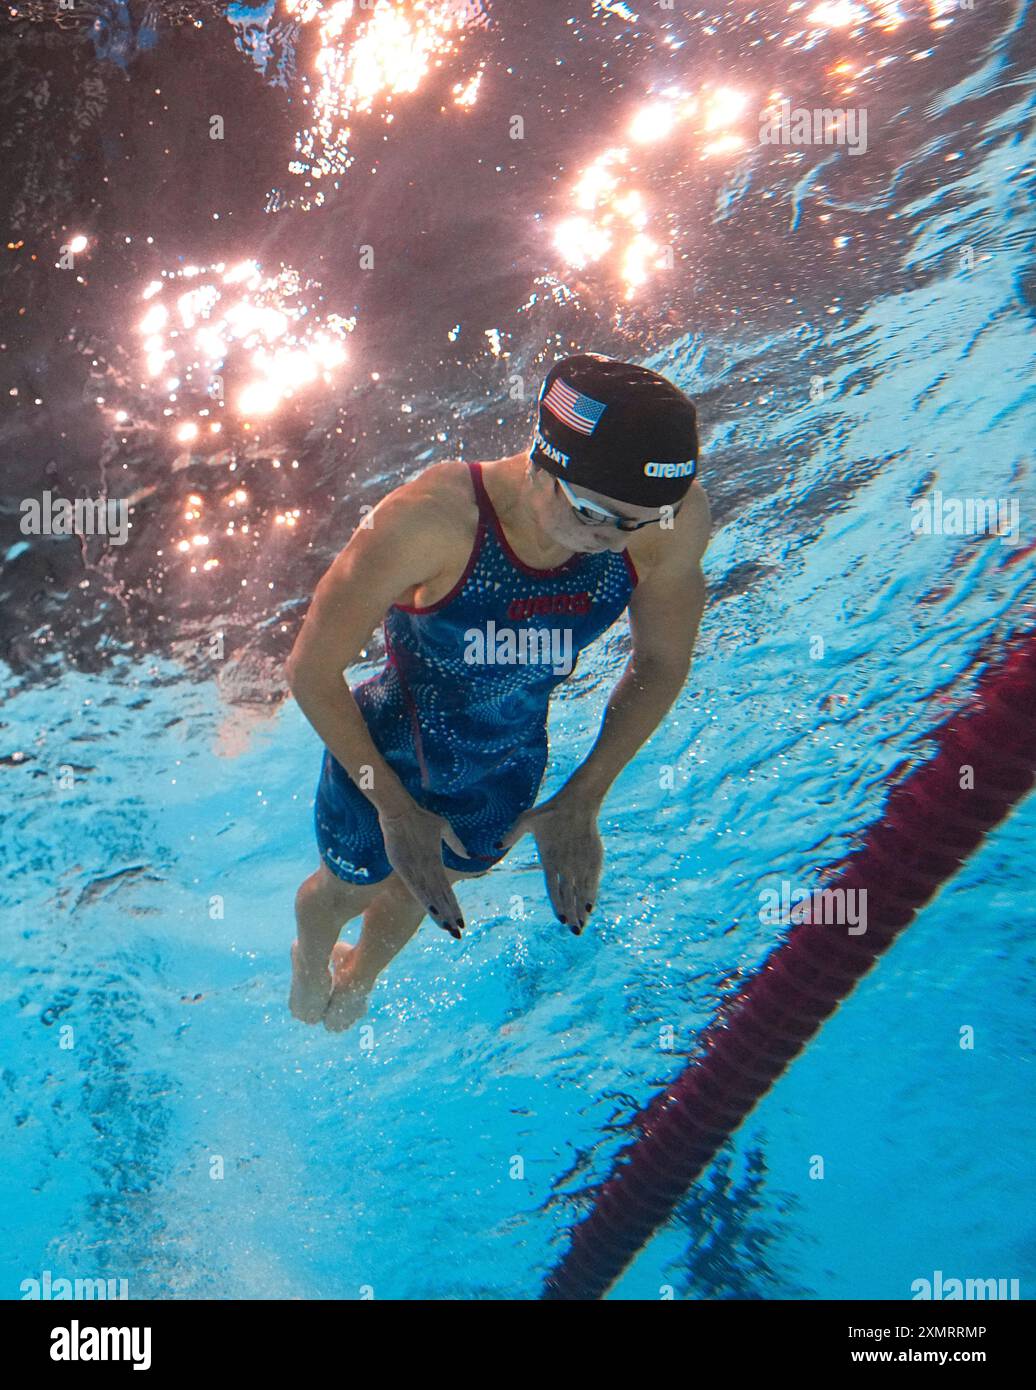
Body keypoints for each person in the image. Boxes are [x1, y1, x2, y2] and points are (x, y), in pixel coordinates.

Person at [286, 353, 710, 1031]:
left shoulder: (667, 523)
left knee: (432, 886)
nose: (611, 542)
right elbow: (311, 669)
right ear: (545, 460)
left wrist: (583, 798)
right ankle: (311, 961)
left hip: (502, 763)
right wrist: (394, 811)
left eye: (640, 522)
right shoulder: (432, 519)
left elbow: (661, 660)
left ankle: (360, 971)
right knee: (344, 892)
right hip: (384, 752)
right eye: (595, 513)